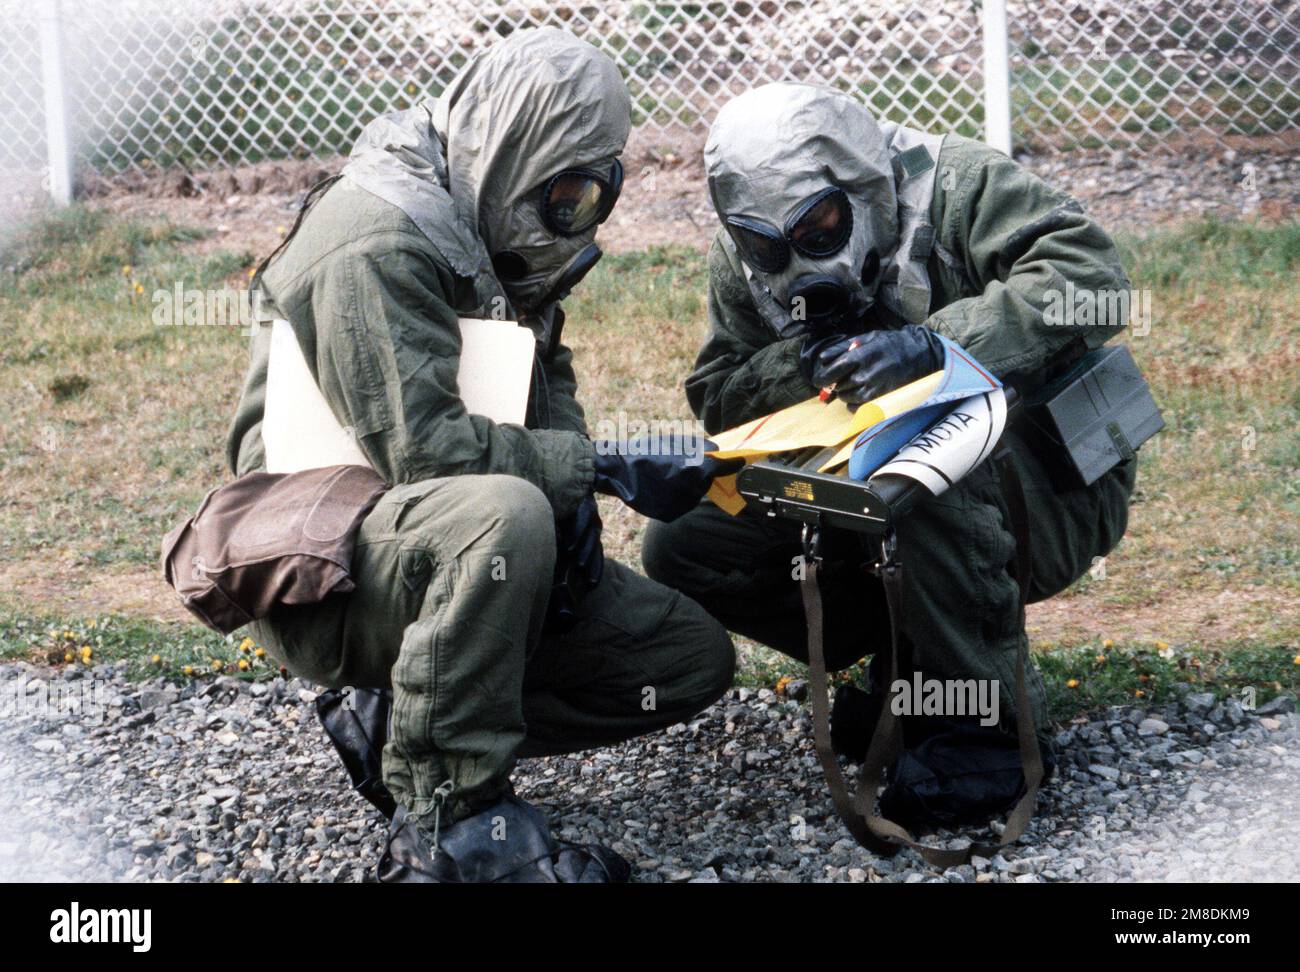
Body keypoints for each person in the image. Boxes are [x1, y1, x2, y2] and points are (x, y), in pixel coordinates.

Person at [226, 28, 736, 883]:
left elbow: (543, 365)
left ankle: (399, 717)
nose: (570, 218)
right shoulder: (375, 238)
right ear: (511, 148)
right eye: (562, 193)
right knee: (504, 513)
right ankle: (450, 824)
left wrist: (569, 495)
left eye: (587, 197)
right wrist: (596, 470)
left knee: (682, 659)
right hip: (317, 568)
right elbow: (428, 456)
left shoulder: (486, 208)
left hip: (425, 545)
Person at [643, 81, 1136, 773]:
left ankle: (989, 729)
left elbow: (1098, 283)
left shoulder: (958, 184)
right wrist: (801, 360)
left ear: (863, 186)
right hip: (877, 498)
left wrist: (938, 347)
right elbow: (719, 396)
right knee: (686, 542)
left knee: (910, 478)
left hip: (1056, 484)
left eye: (821, 231)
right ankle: (919, 665)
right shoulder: (747, 262)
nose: (800, 264)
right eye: (770, 246)